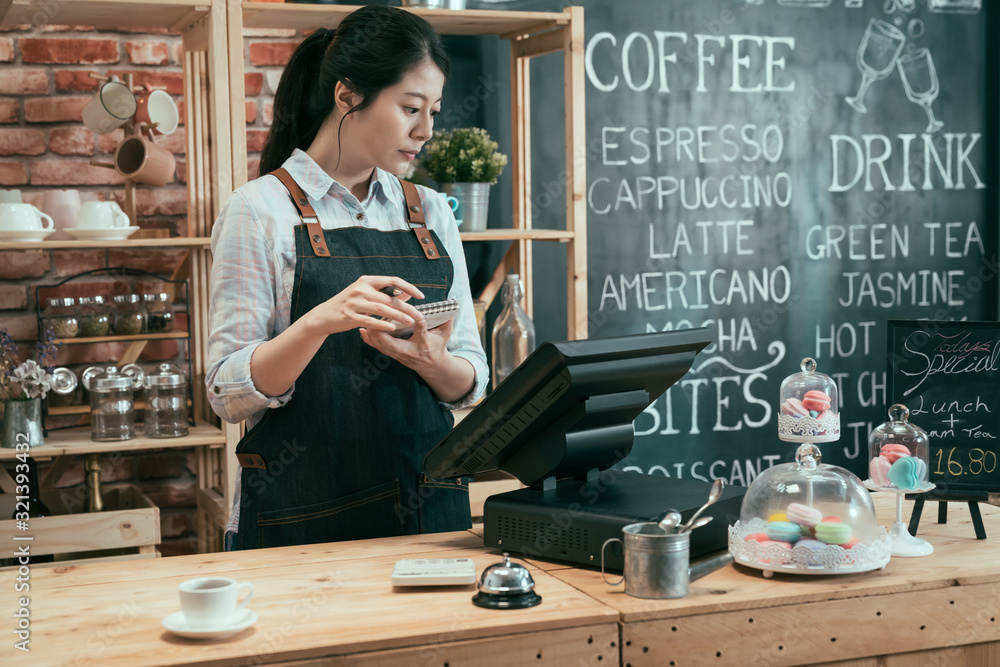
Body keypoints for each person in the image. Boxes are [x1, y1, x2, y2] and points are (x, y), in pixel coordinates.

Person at [206, 5, 488, 551]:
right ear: (348, 96)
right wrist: (318, 323)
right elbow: (228, 394)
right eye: (410, 108)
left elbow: (472, 381)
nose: (426, 131)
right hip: (301, 519)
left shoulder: (431, 213)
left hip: (427, 516)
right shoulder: (258, 210)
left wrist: (433, 361)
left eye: (433, 110)